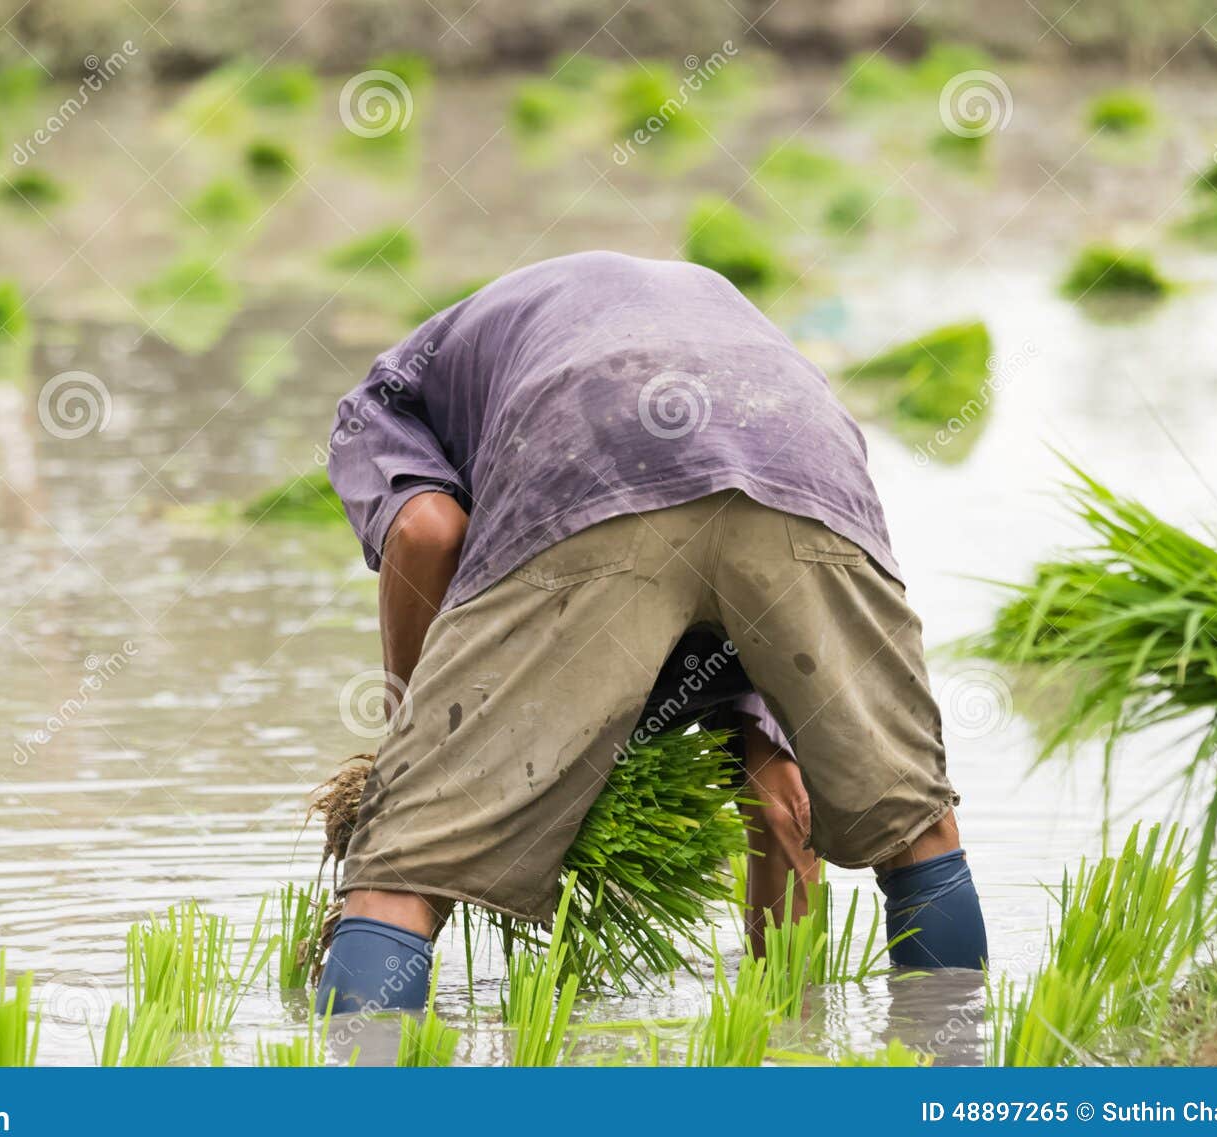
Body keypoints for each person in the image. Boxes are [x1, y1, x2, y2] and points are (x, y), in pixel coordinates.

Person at [316, 250, 987, 1014]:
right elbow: (779, 814)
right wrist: (780, 1039)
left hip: (590, 453)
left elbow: (430, 533)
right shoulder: (712, 315)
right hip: (799, 455)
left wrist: (413, 748)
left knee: (402, 873)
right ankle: (944, 1080)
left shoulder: (380, 404)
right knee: (919, 835)